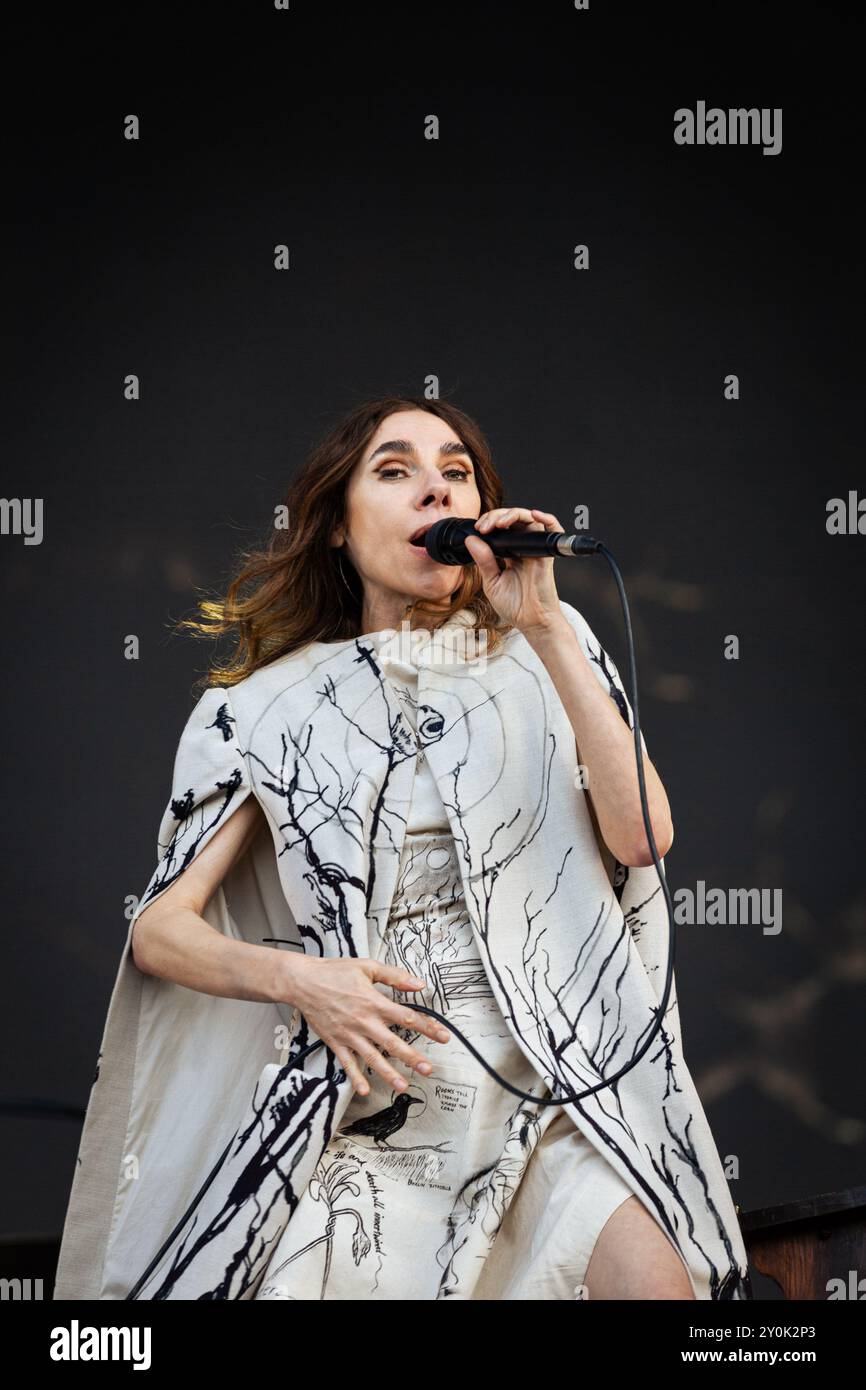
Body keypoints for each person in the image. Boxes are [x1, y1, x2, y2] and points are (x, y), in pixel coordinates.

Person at [53, 395, 752, 1301]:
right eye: (395, 471)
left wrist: (541, 624)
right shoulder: (263, 710)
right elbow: (160, 932)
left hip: (561, 1094)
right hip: (378, 1111)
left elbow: (643, 837)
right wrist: (305, 981)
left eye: (456, 471)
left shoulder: (554, 644)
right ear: (338, 528)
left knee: (665, 1292)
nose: (435, 487)